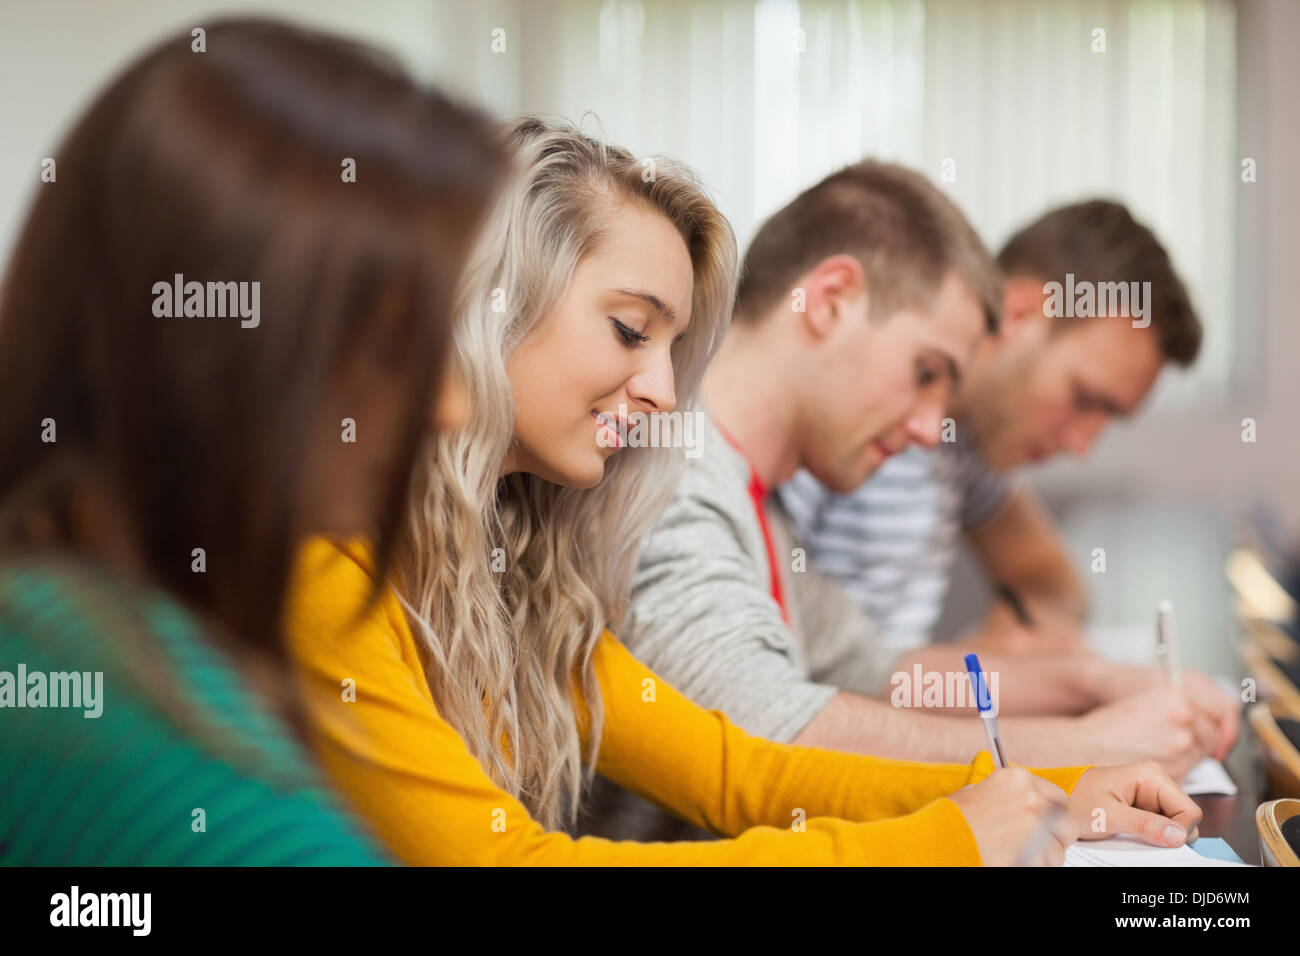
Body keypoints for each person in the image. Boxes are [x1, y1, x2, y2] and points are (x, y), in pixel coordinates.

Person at [286, 118, 1201, 866]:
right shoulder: (332, 563)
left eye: (670, 350)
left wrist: (1050, 790)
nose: (660, 391)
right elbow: (513, 866)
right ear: (493, 304)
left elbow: (739, 767)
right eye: (628, 330)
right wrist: (953, 833)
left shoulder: (519, 579)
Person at [581, 163, 1226, 844]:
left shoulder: (756, 496)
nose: (929, 429)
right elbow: (771, 736)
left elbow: (877, 671)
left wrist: (1088, 683)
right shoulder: (669, 477)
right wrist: (1084, 745)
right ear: (830, 301)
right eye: (925, 373)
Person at [0, 19, 506, 865]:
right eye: (396, 349)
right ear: (223, 352)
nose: (450, 407)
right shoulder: (93, 711)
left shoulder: (65, 617)